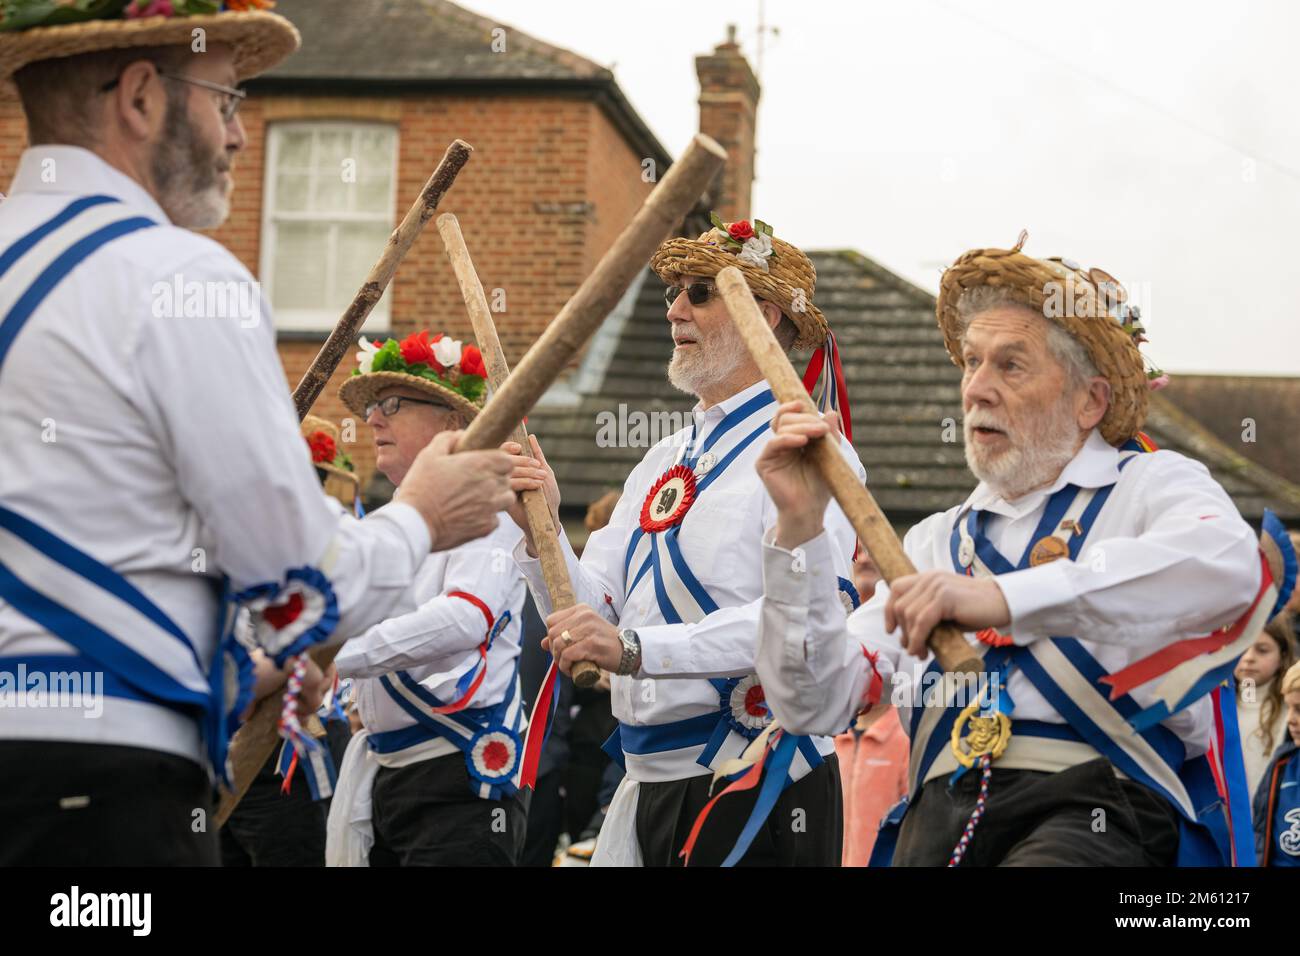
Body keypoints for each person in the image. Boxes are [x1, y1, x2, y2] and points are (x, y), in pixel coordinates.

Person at [0, 6, 513, 866]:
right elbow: (306, 588)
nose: (238, 135)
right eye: (226, 100)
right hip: (101, 792)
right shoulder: (181, 277)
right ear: (139, 97)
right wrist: (422, 513)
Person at [752, 234, 1277, 866]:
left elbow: (1226, 565)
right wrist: (799, 529)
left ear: (1091, 400)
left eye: (1011, 364)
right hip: (938, 817)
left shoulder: (1152, 487)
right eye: (972, 362)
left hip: (1098, 813)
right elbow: (815, 700)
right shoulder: (933, 541)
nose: (976, 388)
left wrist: (1000, 597)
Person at [507, 215, 865, 866]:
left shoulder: (811, 451)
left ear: (764, 315)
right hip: (645, 781)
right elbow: (599, 608)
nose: (674, 308)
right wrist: (543, 532)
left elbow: (806, 620)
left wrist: (637, 650)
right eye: (673, 291)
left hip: (752, 778)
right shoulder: (660, 459)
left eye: (699, 291)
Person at [325, 331, 529, 866]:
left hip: (458, 776)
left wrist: (330, 654)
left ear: (450, 422)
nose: (372, 420)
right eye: (372, 406)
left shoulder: (486, 507)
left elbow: (466, 619)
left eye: (392, 404)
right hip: (389, 775)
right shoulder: (393, 524)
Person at [1236, 616, 1297, 800]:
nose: (1248, 658)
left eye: (1262, 650)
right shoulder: (1214, 706)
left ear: (1282, 656)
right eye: (1241, 648)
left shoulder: (1292, 707)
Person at [1252, 657, 1300, 866]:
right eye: (1288, 707)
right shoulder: (1283, 763)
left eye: (1299, 709)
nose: (1290, 718)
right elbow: (1260, 833)